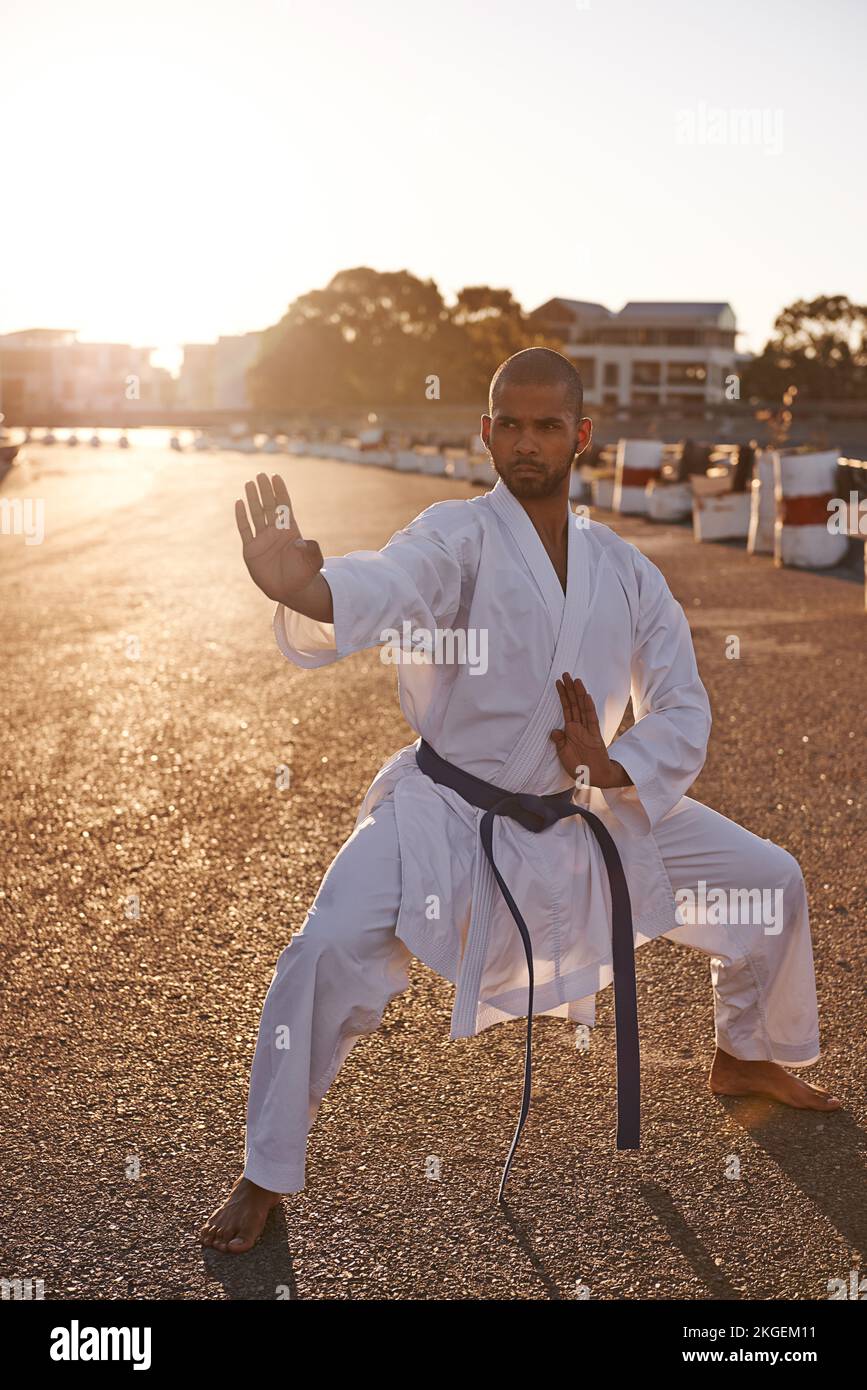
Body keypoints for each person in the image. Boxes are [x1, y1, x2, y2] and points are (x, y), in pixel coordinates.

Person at [199, 348, 841, 1255]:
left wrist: (611, 765)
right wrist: (308, 588)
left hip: (583, 807)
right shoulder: (456, 537)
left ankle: (741, 1050)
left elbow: (684, 701)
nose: (526, 441)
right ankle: (265, 1170)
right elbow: (391, 582)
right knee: (326, 946)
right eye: (510, 423)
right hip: (446, 812)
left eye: (547, 425)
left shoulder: (622, 568)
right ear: (487, 432)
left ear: (581, 436)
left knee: (769, 880)